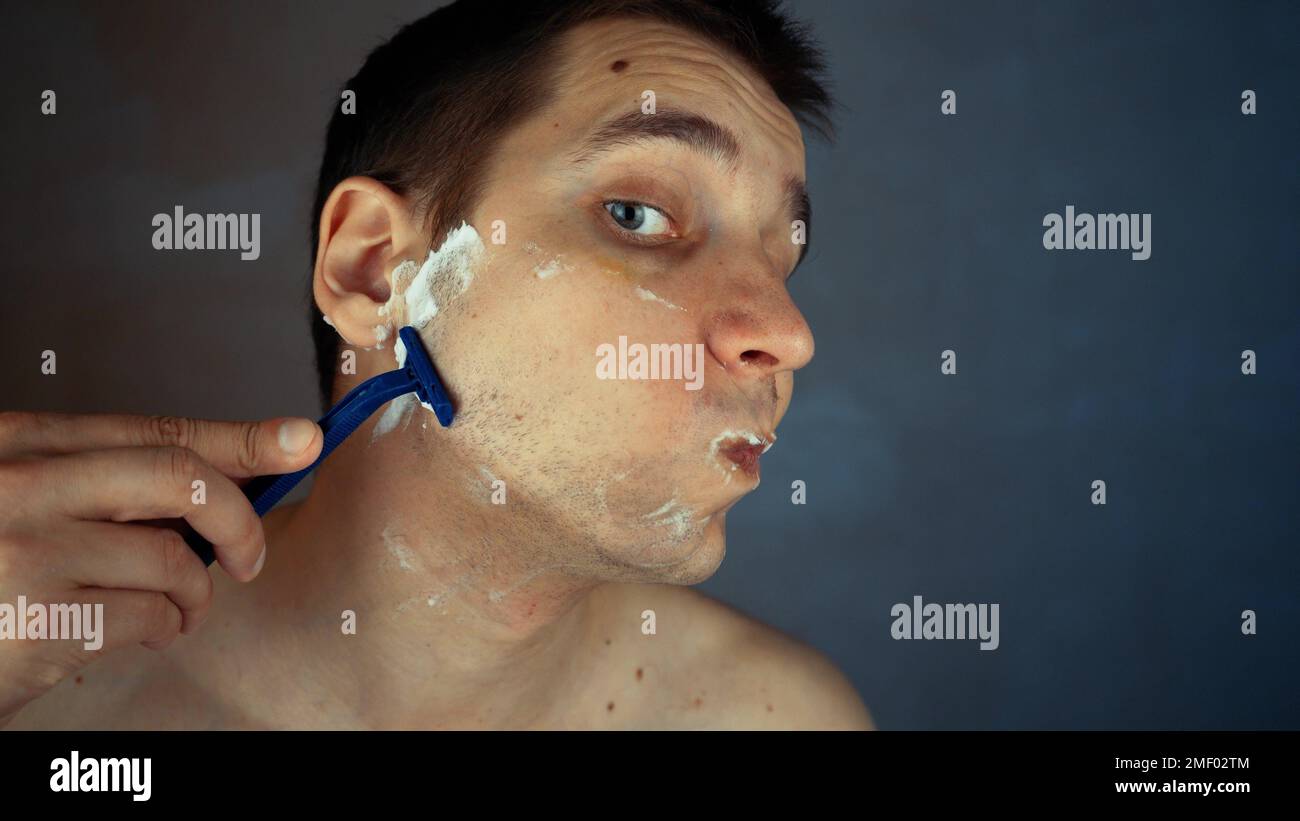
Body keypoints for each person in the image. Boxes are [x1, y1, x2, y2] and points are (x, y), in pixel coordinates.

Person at [1, 0, 872, 729]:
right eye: (638, 213)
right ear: (377, 269)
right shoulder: (47, 692)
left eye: (780, 258)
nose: (788, 334)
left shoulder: (786, 717)